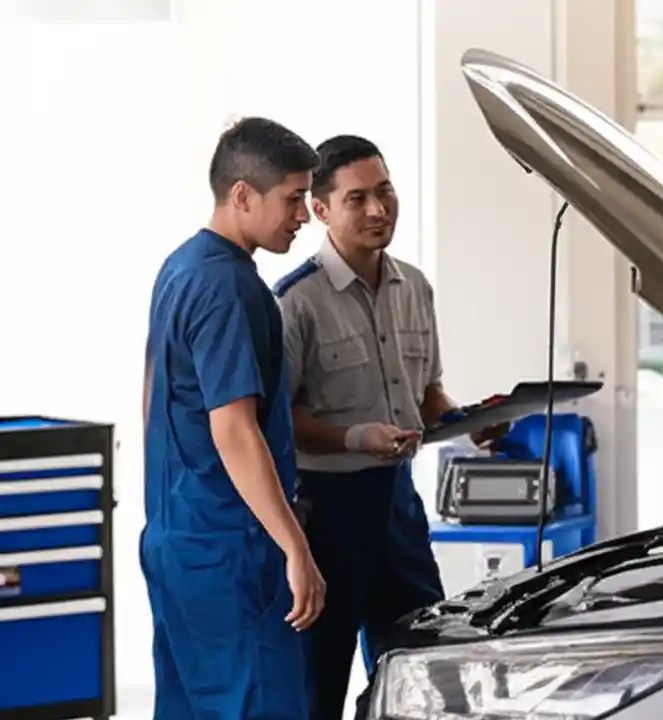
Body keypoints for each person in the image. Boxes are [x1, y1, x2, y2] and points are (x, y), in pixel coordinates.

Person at [274, 134, 505, 719]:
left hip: (398, 506)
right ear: (321, 209)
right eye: (357, 199)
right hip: (326, 513)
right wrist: (355, 438)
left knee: (424, 670)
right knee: (319, 682)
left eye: (386, 191)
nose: (379, 209)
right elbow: (276, 420)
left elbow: (425, 394)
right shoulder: (295, 302)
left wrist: (469, 423)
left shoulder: (415, 288)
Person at [141, 116, 327, 720]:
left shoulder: (181, 267)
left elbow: (152, 394)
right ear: (243, 194)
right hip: (231, 552)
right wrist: (295, 547)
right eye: (293, 199)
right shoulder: (228, 288)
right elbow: (234, 428)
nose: (303, 215)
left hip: (177, 540)